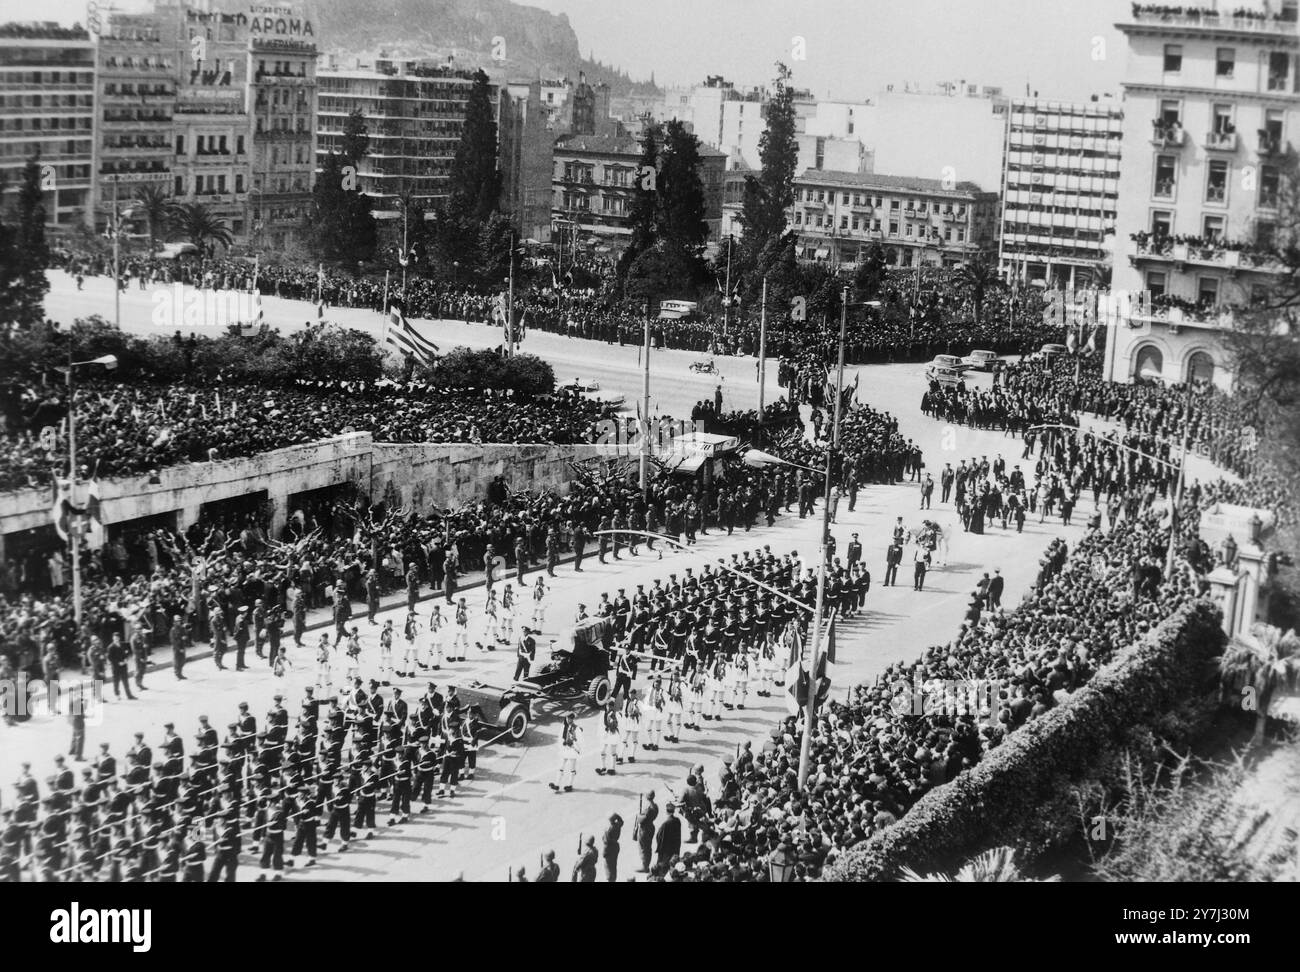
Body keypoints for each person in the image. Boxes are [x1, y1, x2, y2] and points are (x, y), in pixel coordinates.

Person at [549, 711, 581, 792]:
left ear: (572, 719)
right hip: (565, 749)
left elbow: (579, 740)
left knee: (572, 768)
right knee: (561, 766)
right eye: (567, 718)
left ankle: (569, 785)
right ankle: (557, 784)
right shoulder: (564, 726)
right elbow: (561, 737)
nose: (568, 720)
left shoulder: (575, 728)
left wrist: (574, 745)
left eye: (570, 718)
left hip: (573, 750)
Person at [634, 791, 658, 873]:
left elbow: (640, 820)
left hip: (645, 829)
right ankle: (646, 865)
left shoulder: (648, 808)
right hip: (650, 827)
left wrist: (638, 815)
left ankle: (645, 866)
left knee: (644, 848)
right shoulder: (655, 806)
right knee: (648, 847)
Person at [596, 700, 621, 776]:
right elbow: (601, 724)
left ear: (612, 706)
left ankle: (612, 768)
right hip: (606, 734)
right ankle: (603, 767)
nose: (608, 707)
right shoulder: (604, 713)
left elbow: (617, 724)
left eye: (609, 706)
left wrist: (612, 721)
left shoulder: (615, 714)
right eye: (607, 706)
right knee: (602, 750)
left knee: (612, 752)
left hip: (613, 734)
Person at [655, 802, 682, 870]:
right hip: (675, 847)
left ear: (667, 812)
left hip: (666, 849)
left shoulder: (666, 824)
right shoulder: (677, 820)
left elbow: (659, 836)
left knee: (663, 865)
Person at [602, 812, 623, 883]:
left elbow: (606, 841)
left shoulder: (608, 829)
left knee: (608, 866)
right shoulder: (618, 825)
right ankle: (613, 878)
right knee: (614, 864)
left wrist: (604, 852)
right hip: (615, 846)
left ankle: (610, 880)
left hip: (609, 848)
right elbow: (621, 821)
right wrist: (616, 815)